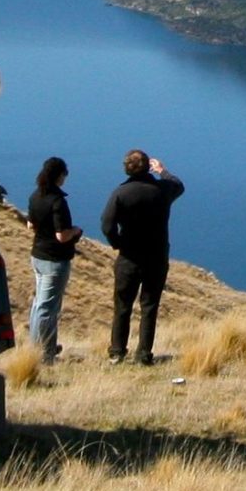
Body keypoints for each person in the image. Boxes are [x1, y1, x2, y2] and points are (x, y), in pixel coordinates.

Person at [100, 148, 184, 365]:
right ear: (149, 166)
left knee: (123, 305)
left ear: (126, 169)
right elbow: (179, 185)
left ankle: (117, 352)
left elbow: (107, 224)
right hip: (156, 257)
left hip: (129, 257)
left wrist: (117, 243)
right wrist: (163, 171)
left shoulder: (120, 193)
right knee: (149, 306)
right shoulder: (162, 189)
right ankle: (143, 354)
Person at [26, 156, 82, 364]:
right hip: (55, 260)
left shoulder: (36, 196)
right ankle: (46, 355)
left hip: (37, 255)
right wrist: (76, 231)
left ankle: (36, 347)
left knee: (38, 304)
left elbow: (30, 225)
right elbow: (62, 236)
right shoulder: (58, 201)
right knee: (48, 308)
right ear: (60, 176)